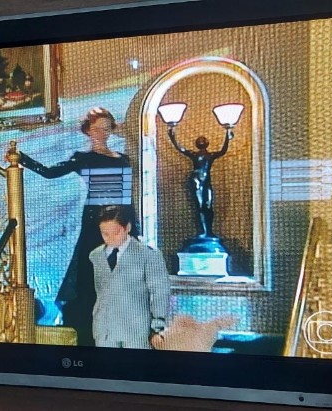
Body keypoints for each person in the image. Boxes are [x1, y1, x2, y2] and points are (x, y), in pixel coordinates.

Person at [18, 107, 138, 346]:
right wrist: (21, 158)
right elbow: (50, 173)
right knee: (92, 273)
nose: (101, 133)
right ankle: (90, 329)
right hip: (96, 223)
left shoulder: (123, 159)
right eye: (97, 129)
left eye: (106, 129)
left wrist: (134, 227)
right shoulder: (83, 158)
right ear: (88, 131)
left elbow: (128, 197)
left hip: (121, 221)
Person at [89, 206, 170, 349]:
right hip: (104, 332)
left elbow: (159, 294)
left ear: (127, 228)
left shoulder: (148, 255)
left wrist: (158, 328)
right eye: (105, 234)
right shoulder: (96, 256)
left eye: (116, 233)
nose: (110, 238)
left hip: (137, 333)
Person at [167, 133, 231, 238]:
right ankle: (202, 231)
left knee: (208, 206)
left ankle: (209, 231)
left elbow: (223, 151)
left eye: (203, 140)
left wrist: (227, 138)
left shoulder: (211, 155)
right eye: (199, 140)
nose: (201, 141)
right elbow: (181, 149)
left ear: (207, 143)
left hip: (206, 182)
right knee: (200, 206)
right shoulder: (194, 154)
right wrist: (172, 137)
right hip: (196, 180)